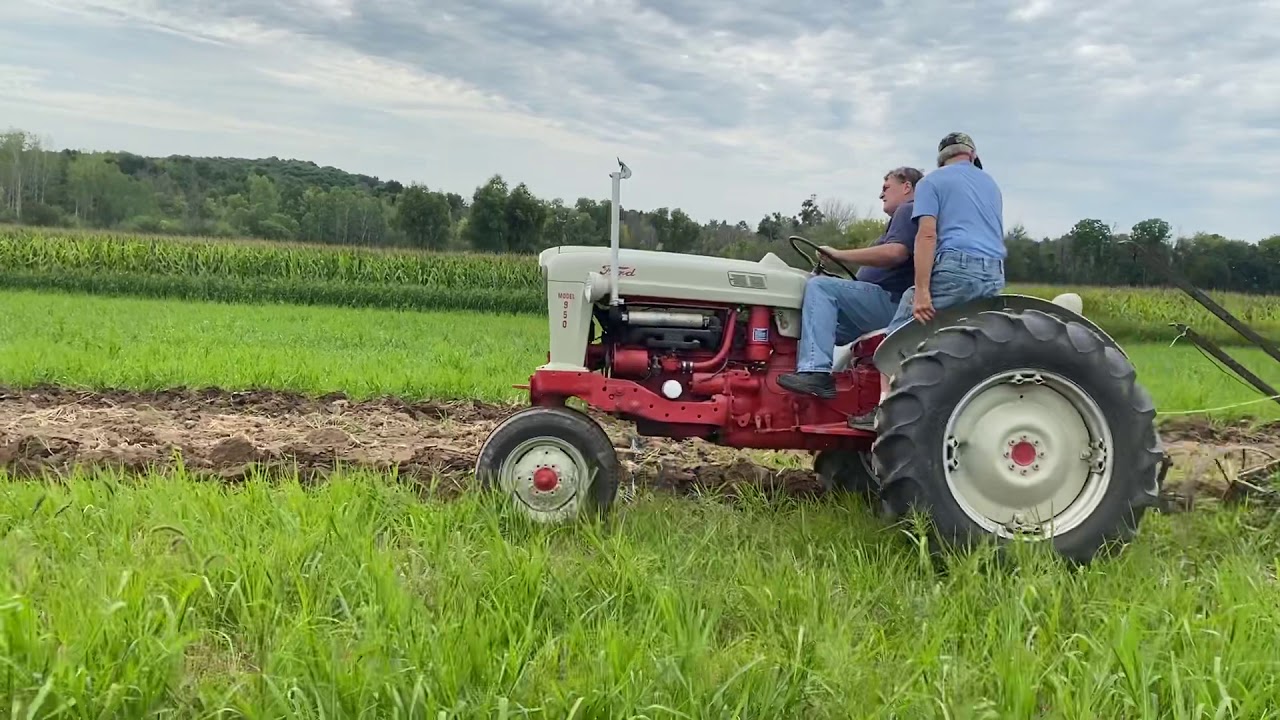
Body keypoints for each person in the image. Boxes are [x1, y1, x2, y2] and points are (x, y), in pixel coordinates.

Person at [777, 166, 925, 401]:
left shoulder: (909, 210)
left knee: (820, 287)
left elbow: (895, 253)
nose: (881, 195)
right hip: (874, 305)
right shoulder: (901, 219)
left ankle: (816, 372)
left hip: (891, 303)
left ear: (907, 186)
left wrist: (840, 254)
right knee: (799, 322)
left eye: (886, 187)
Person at [885, 132, 1006, 336]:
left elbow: (927, 236)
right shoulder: (991, 185)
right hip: (995, 274)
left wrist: (922, 292)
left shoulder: (932, 182)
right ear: (973, 155)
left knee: (905, 321)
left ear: (941, 160)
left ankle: (886, 368)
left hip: (957, 269)